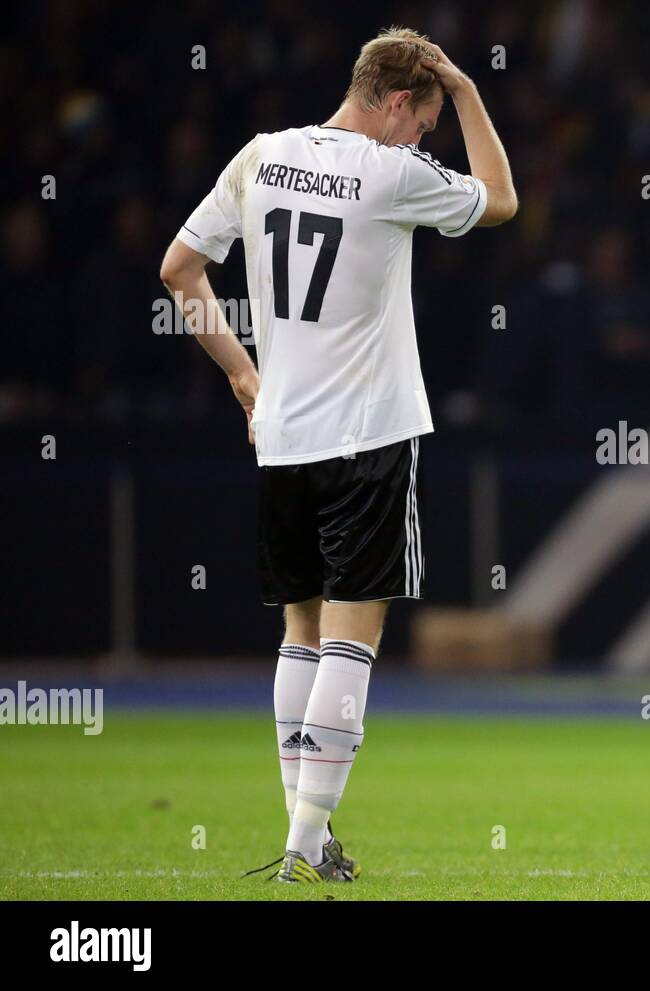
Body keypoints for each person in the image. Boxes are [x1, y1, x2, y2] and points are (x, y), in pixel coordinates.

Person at [159, 28, 516, 883]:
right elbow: (500, 199)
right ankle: (303, 839)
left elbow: (180, 270)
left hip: (280, 435)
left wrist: (246, 378)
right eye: (425, 122)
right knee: (354, 637)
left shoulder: (260, 156)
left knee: (300, 631)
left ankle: (306, 837)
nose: (424, 140)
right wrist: (467, 90)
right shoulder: (390, 172)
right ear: (399, 102)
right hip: (367, 435)